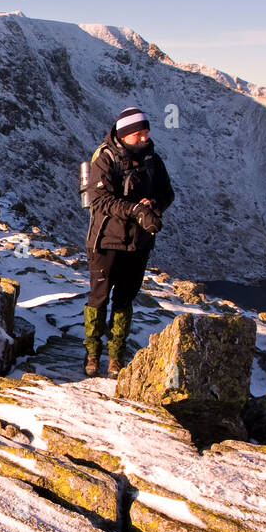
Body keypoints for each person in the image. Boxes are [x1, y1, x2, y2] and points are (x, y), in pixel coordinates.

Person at [82, 106, 175, 377]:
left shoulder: (152, 161)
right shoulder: (106, 158)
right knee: (98, 299)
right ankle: (92, 353)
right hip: (105, 242)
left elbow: (167, 193)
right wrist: (136, 211)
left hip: (137, 244)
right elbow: (100, 200)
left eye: (145, 132)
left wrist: (153, 203)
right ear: (123, 135)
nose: (144, 138)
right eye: (138, 134)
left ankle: (115, 356)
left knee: (124, 300)